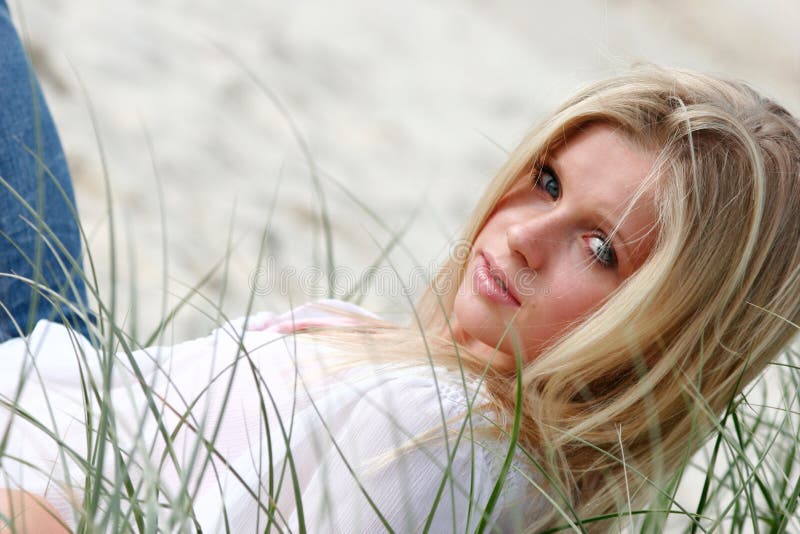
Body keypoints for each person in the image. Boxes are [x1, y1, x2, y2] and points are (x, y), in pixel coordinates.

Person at [1, 2, 799, 532]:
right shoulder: (456, 410)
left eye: (600, 249)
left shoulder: (442, 441)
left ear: (668, 339)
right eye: (547, 182)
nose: (524, 235)